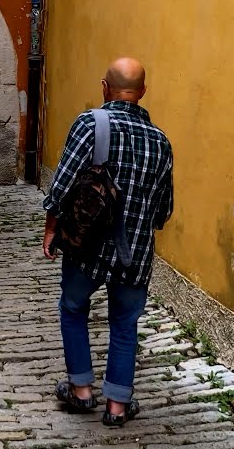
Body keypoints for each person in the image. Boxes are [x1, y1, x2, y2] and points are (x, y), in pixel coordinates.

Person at [42, 57, 174, 426]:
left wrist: (52, 227)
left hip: (87, 247)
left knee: (73, 307)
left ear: (105, 87)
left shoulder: (90, 124)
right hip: (135, 254)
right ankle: (117, 406)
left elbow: (63, 184)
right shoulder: (161, 142)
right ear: (143, 92)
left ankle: (81, 391)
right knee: (124, 323)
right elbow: (163, 210)